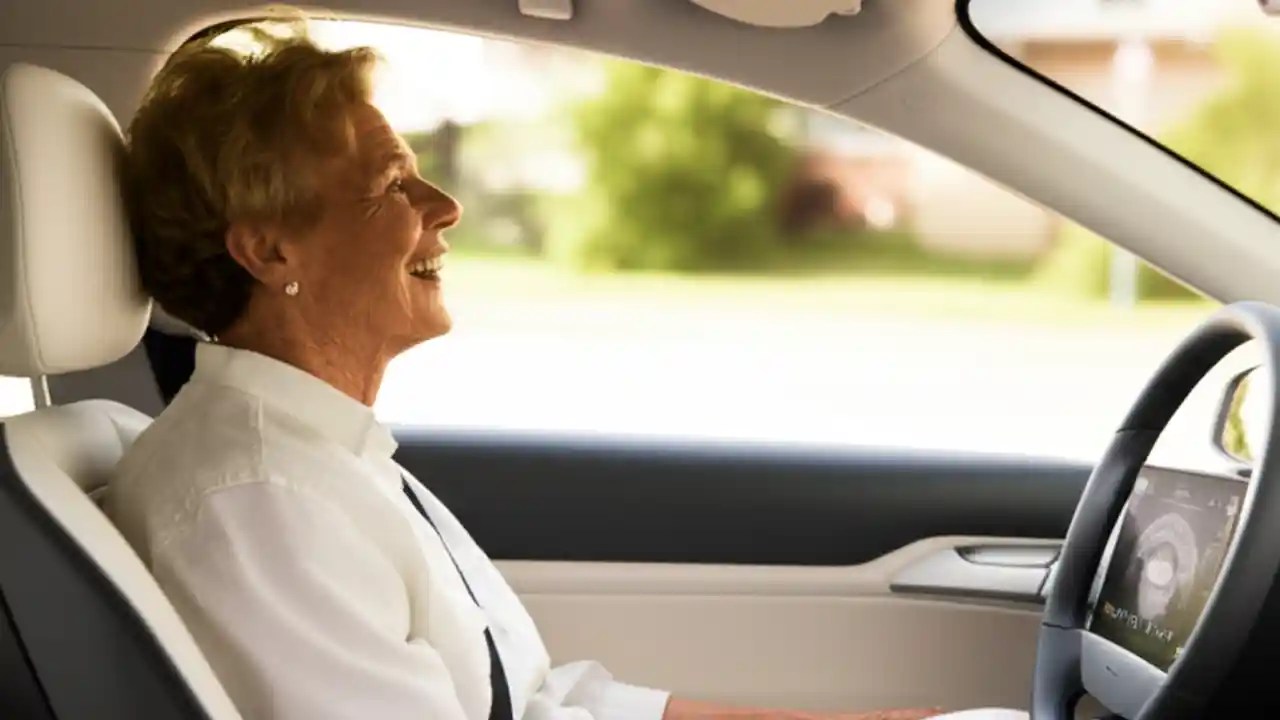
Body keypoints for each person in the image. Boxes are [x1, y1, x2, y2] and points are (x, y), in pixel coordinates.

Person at [107, 20, 965, 720]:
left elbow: (541, 700)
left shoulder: (323, 460)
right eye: (393, 183)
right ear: (267, 247)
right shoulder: (258, 504)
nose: (445, 208)